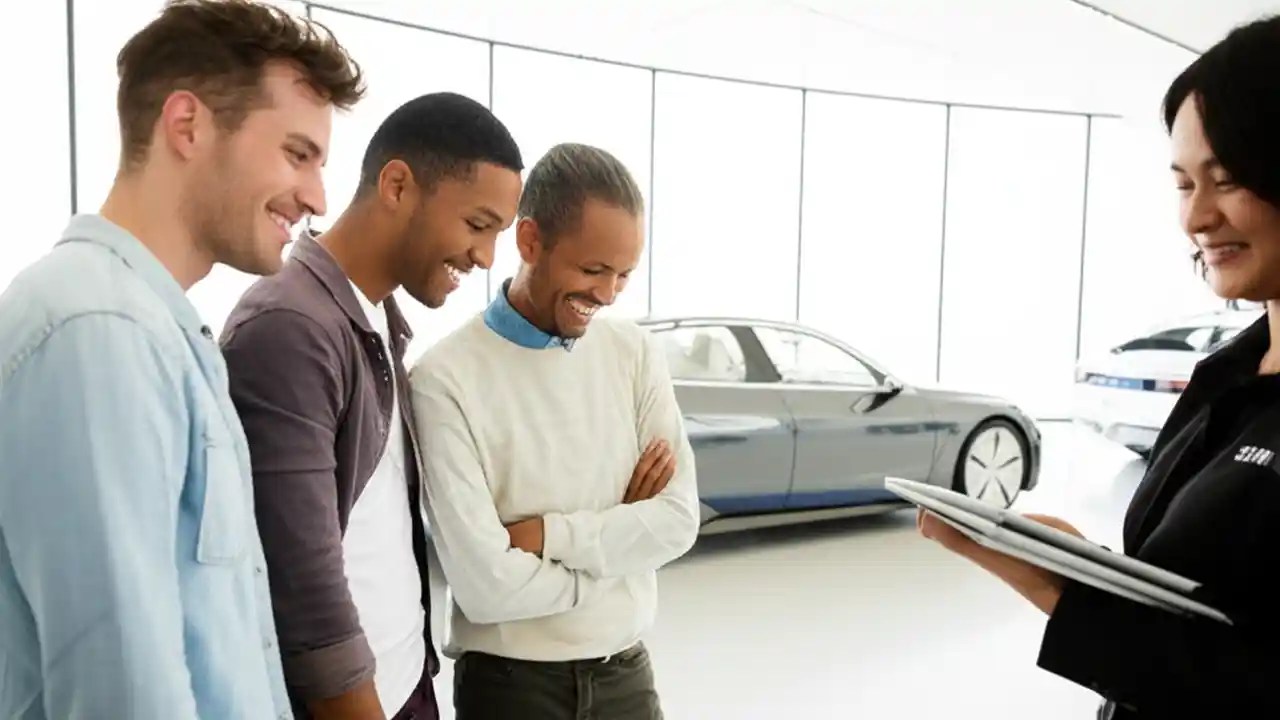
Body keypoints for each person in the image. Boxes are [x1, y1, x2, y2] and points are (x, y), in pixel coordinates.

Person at [0, 1, 363, 718]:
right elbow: (123, 690)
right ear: (188, 125)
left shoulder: (157, 331)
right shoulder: (98, 332)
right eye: (297, 154)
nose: (317, 198)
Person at [918, 14, 1280, 719]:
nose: (1197, 218)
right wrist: (1088, 568)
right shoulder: (1227, 374)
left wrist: (1063, 595)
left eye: (1228, 179)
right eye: (1184, 185)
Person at [220, 92, 524, 720]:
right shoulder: (291, 327)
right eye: (478, 225)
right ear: (397, 186)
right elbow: (305, 595)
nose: (487, 258)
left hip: (405, 681)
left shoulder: (378, 321)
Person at [408, 142, 700, 720]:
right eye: (592, 270)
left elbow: (676, 521)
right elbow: (486, 586)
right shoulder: (444, 379)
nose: (607, 295)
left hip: (626, 677)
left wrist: (547, 535)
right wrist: (616, 553)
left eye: (623, 276)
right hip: (512, 691)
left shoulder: (635, 353)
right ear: (529, 241)